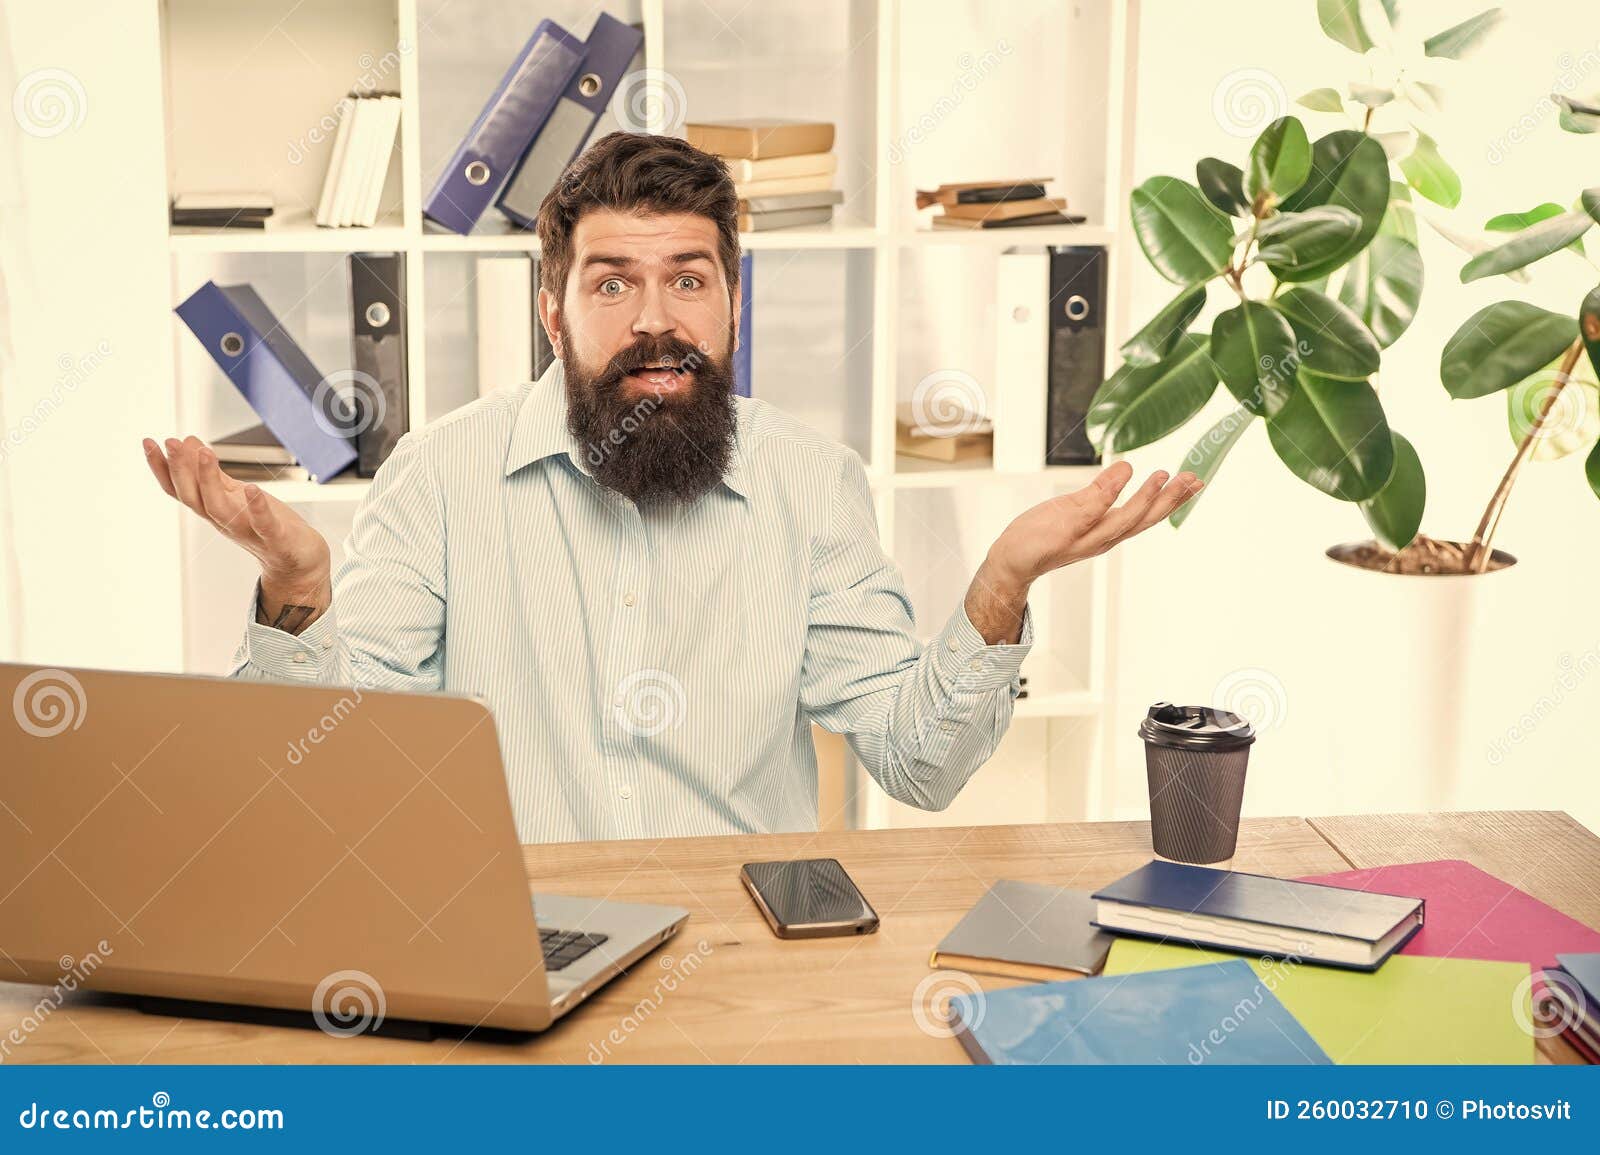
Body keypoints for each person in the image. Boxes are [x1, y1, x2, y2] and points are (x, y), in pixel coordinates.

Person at [143, 132, 1200, 844]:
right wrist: (297, 593)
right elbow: (329, 764)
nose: (657, 320)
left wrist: (1001, 582)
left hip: (743, 952)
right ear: (552, 310)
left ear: (733, 303)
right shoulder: (441, 475)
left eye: (687, 280)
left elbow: (919, 764)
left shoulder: (810, 483)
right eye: (613, 284)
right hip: (507, 943)